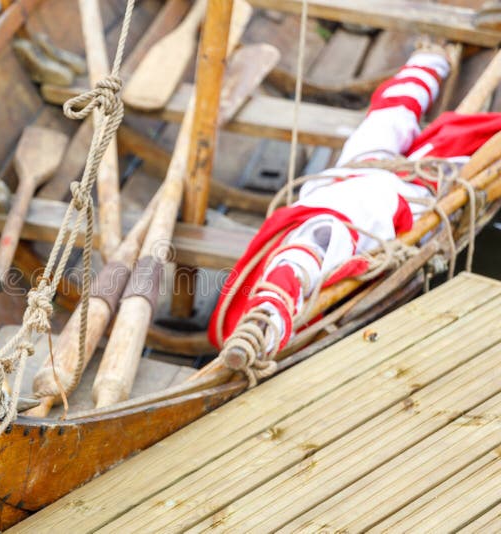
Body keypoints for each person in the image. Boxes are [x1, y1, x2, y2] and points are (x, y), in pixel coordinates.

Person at [208, 42, 501, 370]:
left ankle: (274, 307)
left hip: (374, 190)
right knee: (378, 144)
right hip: (369, 185)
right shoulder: (384, 184)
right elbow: (394, 109)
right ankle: (273, 306)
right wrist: (431, 60)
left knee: (358, 196)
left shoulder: (400, 185)